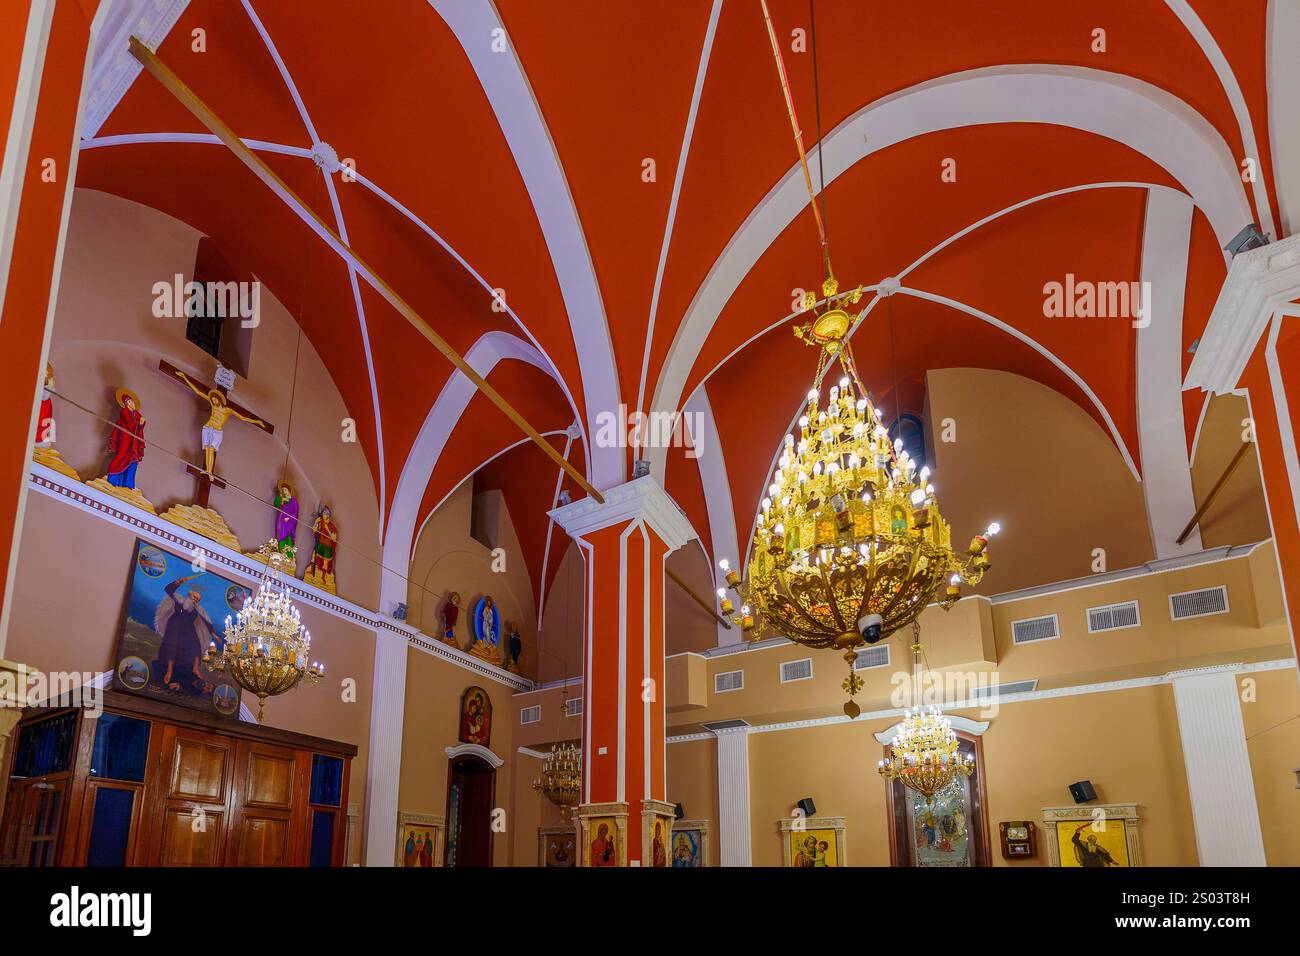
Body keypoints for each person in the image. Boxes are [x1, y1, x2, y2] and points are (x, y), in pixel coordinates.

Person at [172, 369, 265, 475]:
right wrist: (184, 377)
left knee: (212, 448)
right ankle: (207, 470)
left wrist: (257, 421)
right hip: (208, 427)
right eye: (213, 399)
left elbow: (242, 417)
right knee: (207, 448)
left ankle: (210, 472)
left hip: (217, 430)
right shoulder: (213, 405)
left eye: (216, 399)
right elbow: (198, 392)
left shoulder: (227, 411)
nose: (214, 401)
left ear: (220, 399)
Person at [151, 575, 219, 693]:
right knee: (172, 646)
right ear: (189, 595)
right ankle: (169, 670)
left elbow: (205, 621)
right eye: (194, 597)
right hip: (175, 626)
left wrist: (213, 633)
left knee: (196, 645)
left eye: (197, 599)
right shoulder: (179, 601)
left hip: (187, 629)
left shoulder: (196, 609)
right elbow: (168, 590)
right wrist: (178, 582)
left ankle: (195, 668)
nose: (195, 600)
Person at [105, 388, 147, 488]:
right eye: (129, 401)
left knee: (133, 460)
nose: (132, 403)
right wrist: (139, 423)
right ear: (126, 403)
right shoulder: (125, 412)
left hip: (134, 442)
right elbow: (130, 425)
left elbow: (140, 423)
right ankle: (113, 480)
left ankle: (128, 485)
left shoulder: (136, 413)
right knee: (122, 456)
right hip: (125, 439)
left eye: (132, 401)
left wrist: (141, 423)